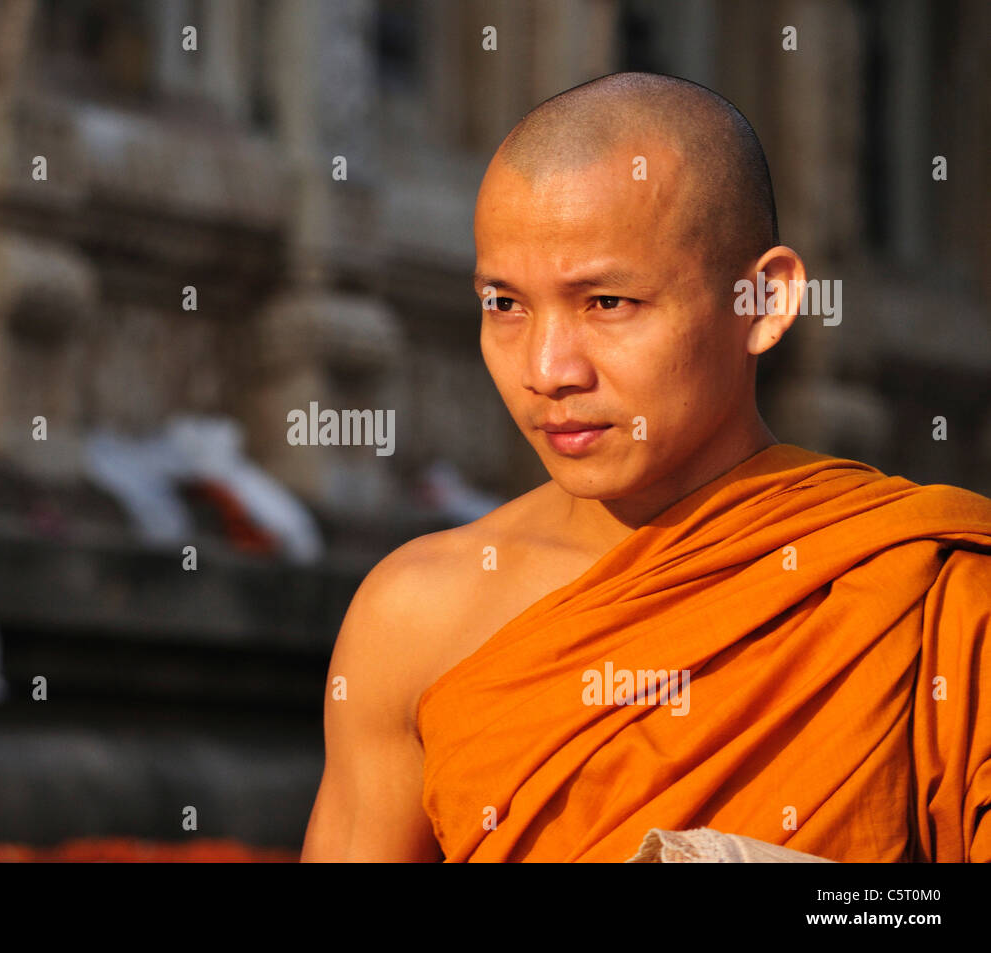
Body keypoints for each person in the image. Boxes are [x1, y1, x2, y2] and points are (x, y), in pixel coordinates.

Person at [299, 71, 991, 862]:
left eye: (607, 304)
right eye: (505, 305)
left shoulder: (930, 586)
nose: (549, 368)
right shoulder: (415, 617)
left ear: (760, 302)